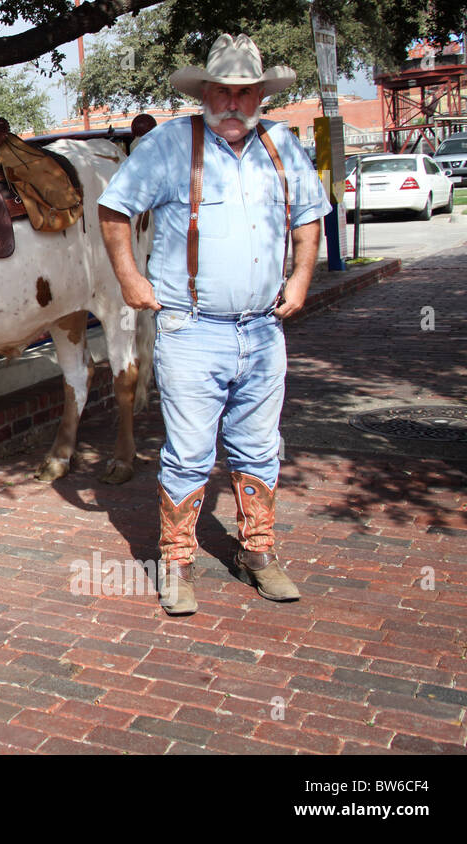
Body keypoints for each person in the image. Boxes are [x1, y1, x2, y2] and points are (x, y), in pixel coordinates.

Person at [97, 33, 331, 616]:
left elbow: (308, 218)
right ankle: (177, 564)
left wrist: (301, 279)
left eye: (245, 93)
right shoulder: (172, 144)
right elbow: (114, 208)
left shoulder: (281, 144)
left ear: (260, 96)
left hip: (262, 329)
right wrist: (129, 278)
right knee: (189, 453)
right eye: (222, 91)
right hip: (192, 329)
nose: (233, 103)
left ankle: (259, 552)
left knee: (259, 447)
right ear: (204, 93)